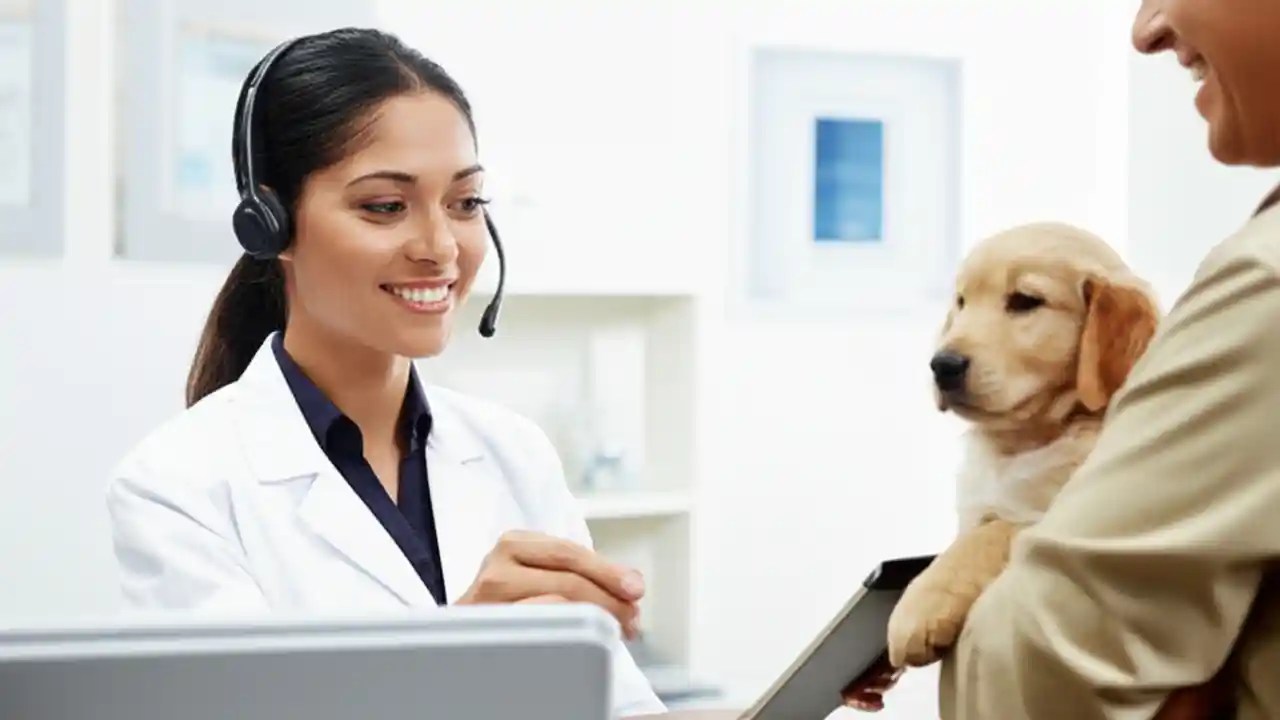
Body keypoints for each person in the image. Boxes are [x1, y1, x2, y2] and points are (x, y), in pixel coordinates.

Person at [105, 28, 665, 718]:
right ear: (271, 224)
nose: (440, 247)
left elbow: (619, 707)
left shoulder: (515, 451)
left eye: (465, 203)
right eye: (385, 207)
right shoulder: (177, 488)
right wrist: (464, 656)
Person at [849, 0, 1280, 717]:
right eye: (961, 304)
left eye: (1024, 302)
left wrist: (984, 596)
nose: (1144, 29)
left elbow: (1049, 662)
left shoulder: (1264, 286)